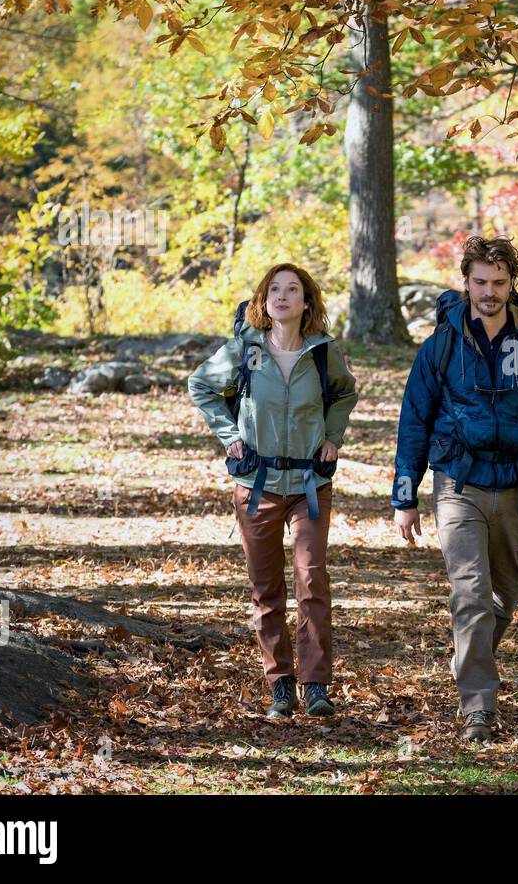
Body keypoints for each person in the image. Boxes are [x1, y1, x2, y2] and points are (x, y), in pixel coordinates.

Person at [392, 235, 518, 743]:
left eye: (499, 282)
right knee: (470, 594)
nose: (489, 292)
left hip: (516, 487)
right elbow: (414, 421)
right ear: (466, 282)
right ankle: (479, 706)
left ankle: (466, 655)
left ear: (512, 283)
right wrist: (404, 495)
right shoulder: (442, 345)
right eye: (480, 282)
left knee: (506, 593)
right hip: (458, 483)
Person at [189, 263, 358, 719]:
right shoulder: (246, 350)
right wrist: (229, 435)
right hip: (256, 485)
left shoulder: (323, 354)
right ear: (263, 301)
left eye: (293, 290)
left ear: (307, 303)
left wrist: (333, 437)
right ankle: (280, 684)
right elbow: (201, 385)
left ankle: (317, 685)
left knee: (311, 580)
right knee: (266, 589)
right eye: (274, 290)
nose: (282, 296)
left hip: (310, 484)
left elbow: (344, 394)